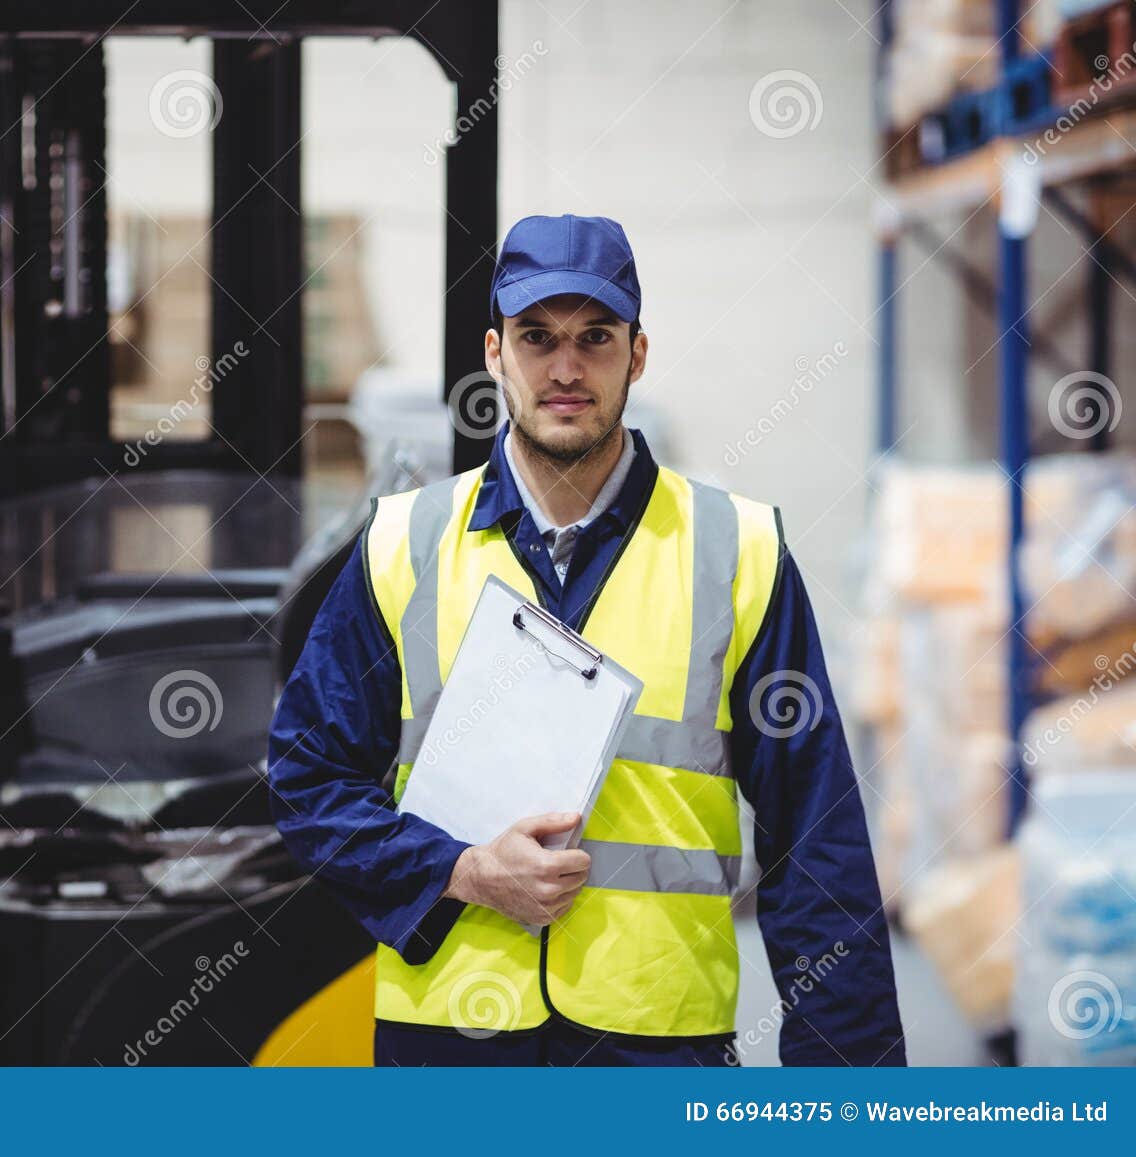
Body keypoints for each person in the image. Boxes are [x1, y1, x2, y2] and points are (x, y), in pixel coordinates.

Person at [267, 214, 905, 1067]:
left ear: (637, 354)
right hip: (454, 1044)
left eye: (594, 337)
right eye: (538, 337)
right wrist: (459, 872)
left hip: (657, 1043)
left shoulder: (735, 552)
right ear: (496, 354)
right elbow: (308, 779)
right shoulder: (403, 546)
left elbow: (817, 836)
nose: (566, 368)